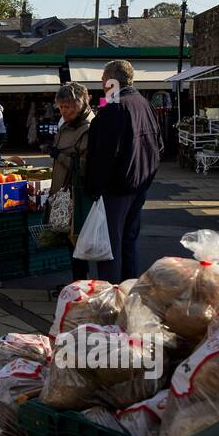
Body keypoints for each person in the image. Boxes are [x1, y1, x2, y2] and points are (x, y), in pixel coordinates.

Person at [84, 60, 163, 282]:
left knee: (110, 245)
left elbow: (104, 155)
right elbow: (159, 144)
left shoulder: (115, 107)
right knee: (129, 240)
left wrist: (93, 187)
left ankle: (112, 294)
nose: (101, 83)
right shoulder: (144, 104)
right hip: (140, 184)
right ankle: (130, 288)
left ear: (111, 81)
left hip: (117, 187)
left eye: (102, 79)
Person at [48, 83, 94, 281]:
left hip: (77, 195)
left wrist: (59, 156)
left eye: (69, 107)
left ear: (82, 103)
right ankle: (78, 282)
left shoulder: (89, 128)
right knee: (69, 241)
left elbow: (85, 165)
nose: (65, 111)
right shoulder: (66, 125)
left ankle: (82, 283)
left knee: (79, 241)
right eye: (62, 107)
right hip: (62, 193)